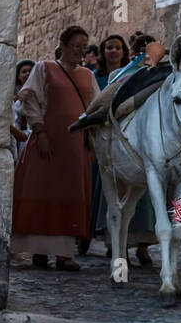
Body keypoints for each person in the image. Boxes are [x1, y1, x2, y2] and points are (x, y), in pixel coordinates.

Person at [11, 24, 95, 271]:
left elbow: (95, 105)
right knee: (44, 190)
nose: (80, 51)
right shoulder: (44, 68)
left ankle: (64, 255)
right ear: (64, 45)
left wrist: (91, 132)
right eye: (76, 46)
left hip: (75, 143)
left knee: (70, 192)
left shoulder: (88, 75)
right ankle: (39, 250)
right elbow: (30, 99)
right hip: (49, 138)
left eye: (84, 47)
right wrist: (39, 130)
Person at [84, 32, 156, 267]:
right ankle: (119, 245)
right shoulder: (120, 75)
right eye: (140, 50)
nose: (144, 53)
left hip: (149, 144)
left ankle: (144, 245)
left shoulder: (160, 76)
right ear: (133, 53)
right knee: (118, 194)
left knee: (146, 199)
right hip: (121, 141)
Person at [9, 59, 34, 163]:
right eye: (24, 72)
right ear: (19, 76)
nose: (28, 73)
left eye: (30, 71)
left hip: (33, 137)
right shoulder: (13, 98)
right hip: (18, 139)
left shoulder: (41, 94)